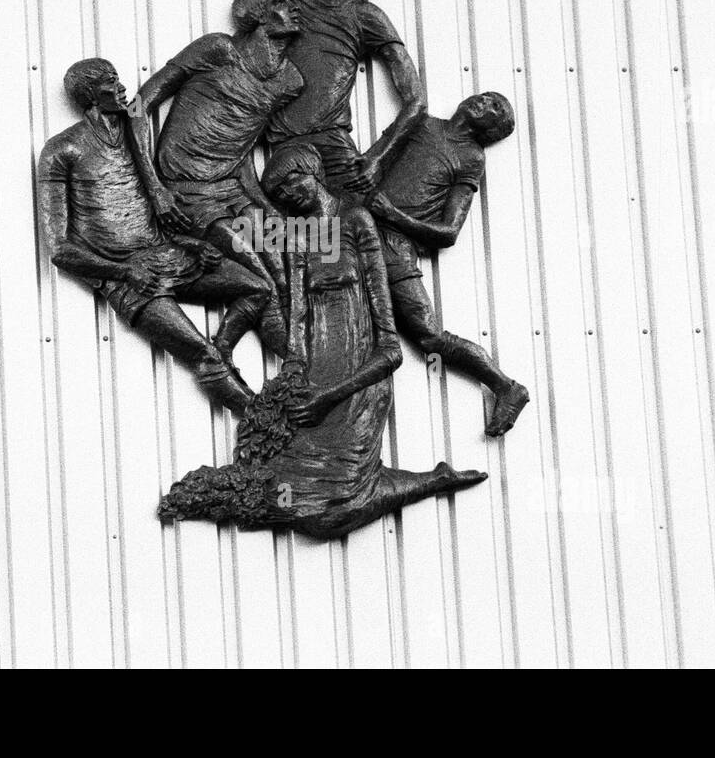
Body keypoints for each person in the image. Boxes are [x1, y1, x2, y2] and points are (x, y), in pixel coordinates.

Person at [159, 145, 487, 539]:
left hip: (358, 378)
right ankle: (426, 480)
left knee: (327, 512)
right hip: (315, 375)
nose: (288, 195)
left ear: (312, 171)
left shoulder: (354, 221)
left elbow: (390, 350)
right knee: (300, 496)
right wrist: (294, 368)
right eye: (278, 192)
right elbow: (298, 312)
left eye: (291, 182)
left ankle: (428, 481)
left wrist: (326, 398)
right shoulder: (303, 235)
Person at [36, 58, 273, 413]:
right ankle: (262, 423)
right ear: (89, 95)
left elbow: (153, 206)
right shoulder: (61, 151)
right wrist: (124, 272)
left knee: (259, 287)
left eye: (118, 77)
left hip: (167, 254)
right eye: (109, 82)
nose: (120, 86)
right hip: (126, 278)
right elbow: (60, 251)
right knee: (200, 353)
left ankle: (225, 348)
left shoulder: (135, 129)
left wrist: (189, 243)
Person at [128, 0, 305, 360]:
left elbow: (242, 143)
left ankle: (301, 361)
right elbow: (140, 105)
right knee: (260, 274)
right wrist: (155, 189)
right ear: (257, 15)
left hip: (231, 188)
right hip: (185, 188)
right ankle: (282, 363)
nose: (293, 9)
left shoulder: (289, 80)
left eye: (293, 3)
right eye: (280, 3)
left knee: (283, 262)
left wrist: (260, 203)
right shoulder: (218, 50)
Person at [366, 92, 529, 436]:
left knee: (429, 337)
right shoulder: (421, 123)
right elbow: (376, 158)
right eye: (486, 96)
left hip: (395, 244)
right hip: (356, 223)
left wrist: (394, 216)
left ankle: (504, 385)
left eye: (494, 107)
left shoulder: (471, 159)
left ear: (493, 130)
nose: (483, 101)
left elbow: (448, 232)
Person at [247, 0, 426, 193]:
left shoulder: (367, 16)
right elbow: (243, 37)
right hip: (283, 147)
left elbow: (417, 100)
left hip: (334, 148)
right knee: (289, 232)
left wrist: (379, 157)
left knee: (355, 226)